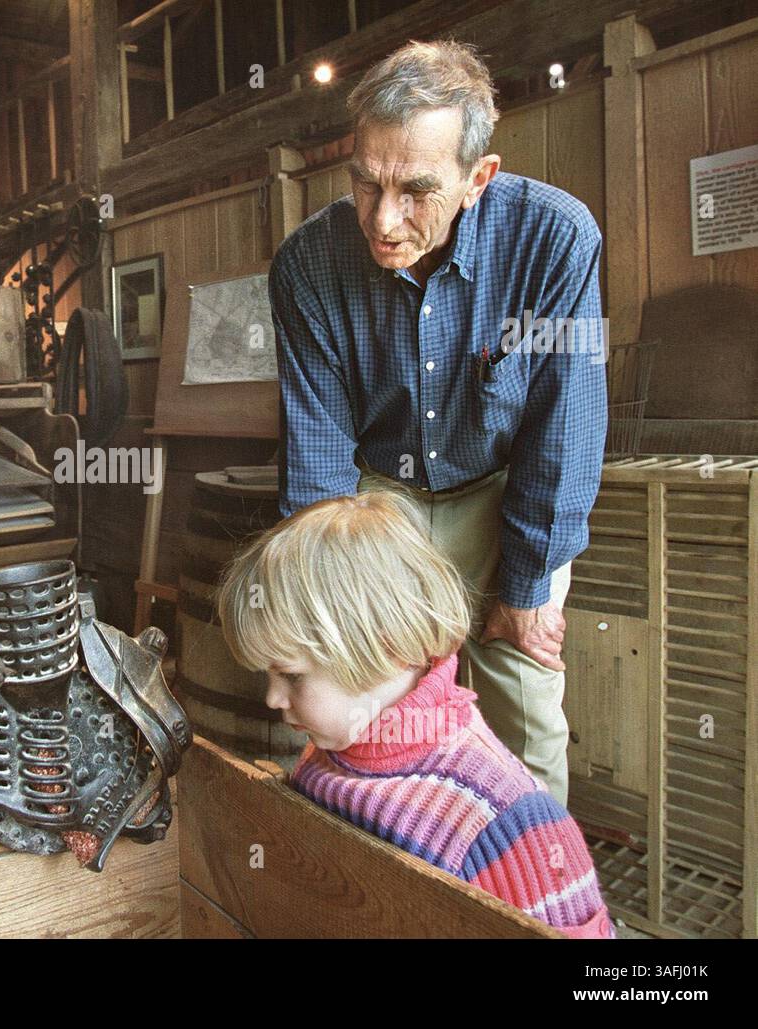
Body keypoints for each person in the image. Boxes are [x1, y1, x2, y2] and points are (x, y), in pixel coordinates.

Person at [271, 39, 608, 806]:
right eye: (364, 185)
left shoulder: (555, 240)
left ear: (478, 178)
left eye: (416, 191)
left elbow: (565, 427)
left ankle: (534, 905)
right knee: (360, 714)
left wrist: (525, 592)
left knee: (526, 711)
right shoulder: (308, 264)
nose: (383, 221)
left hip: (502, 492)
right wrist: (325, 613)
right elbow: (318, 454)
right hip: (374, 495)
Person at [215, 489, 615, 938]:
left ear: (389, 648)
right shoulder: (328, 757)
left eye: (290, 675)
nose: (272, 698)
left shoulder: (508, 824)